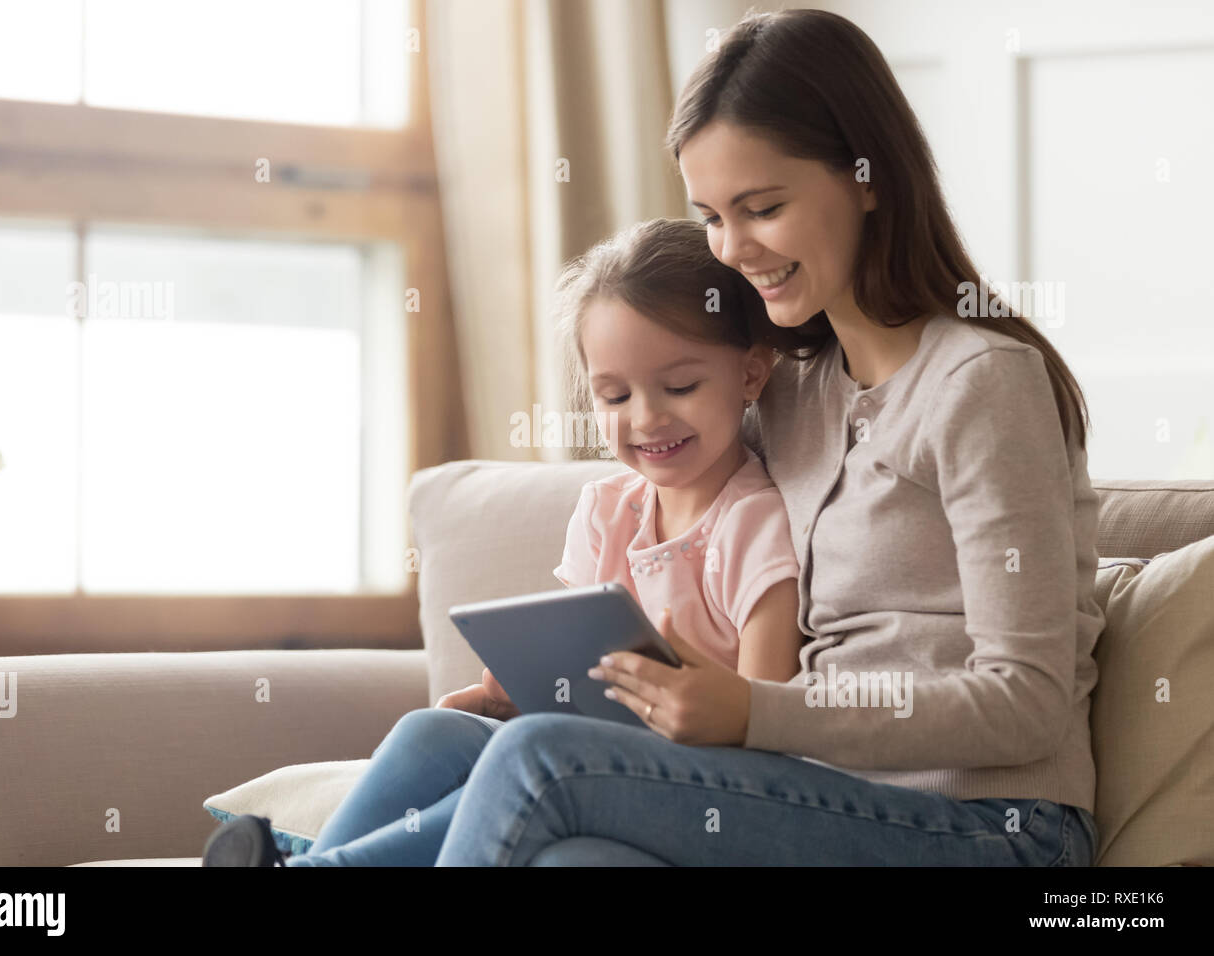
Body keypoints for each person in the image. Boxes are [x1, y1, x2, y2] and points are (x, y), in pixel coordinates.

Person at [209, 8, 1103, 867]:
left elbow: (1024, 703)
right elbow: (668, 470)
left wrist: (757, 712)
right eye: (713, 216)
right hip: (809, 798)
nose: (734, 248)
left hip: (993, 828)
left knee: (544, 764)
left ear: (868, 176)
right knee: (524, 805)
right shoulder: (791, 389)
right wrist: (556, 682)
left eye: (761, 206)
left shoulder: (980, 384)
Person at [203, 216, 805, 866]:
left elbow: (765, 725)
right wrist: (517, 697)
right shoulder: (607, 510)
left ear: (750, 374)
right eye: (614, 395)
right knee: (431, 731)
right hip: (571, 756)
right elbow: (572, 680)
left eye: (680, 386)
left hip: (681, 790)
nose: (646, 417)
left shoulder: (753, 524)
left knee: (517, 771)